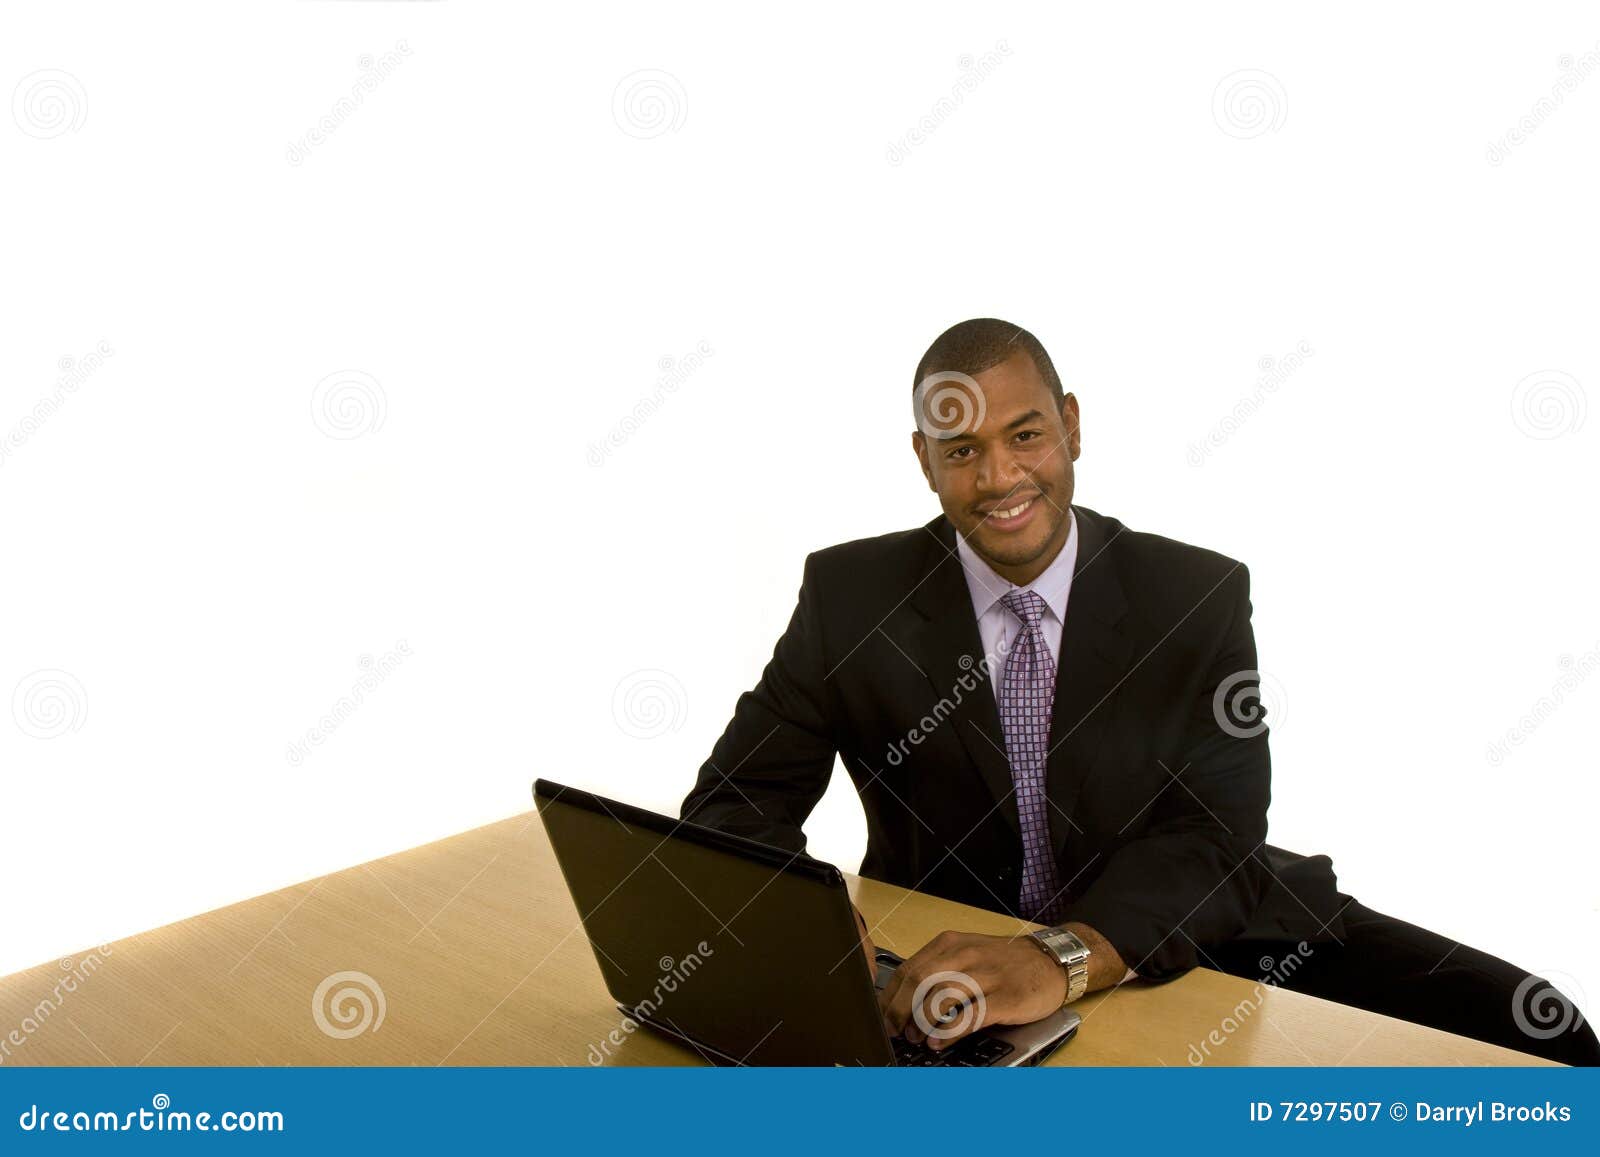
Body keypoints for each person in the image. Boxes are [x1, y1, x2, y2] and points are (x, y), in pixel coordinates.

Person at [680, 318, 1598, 1066]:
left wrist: (1061, 956)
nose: (1000, 478)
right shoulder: (852, 598)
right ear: (923, 460)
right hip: (955, 985)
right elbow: (733, 805)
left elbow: (1215, 832)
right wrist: (812, 932)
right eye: (962, 450)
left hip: (1212, 928)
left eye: (1026, 435)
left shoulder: (1192, 595)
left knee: (1535, 1028)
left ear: (1072, 425)